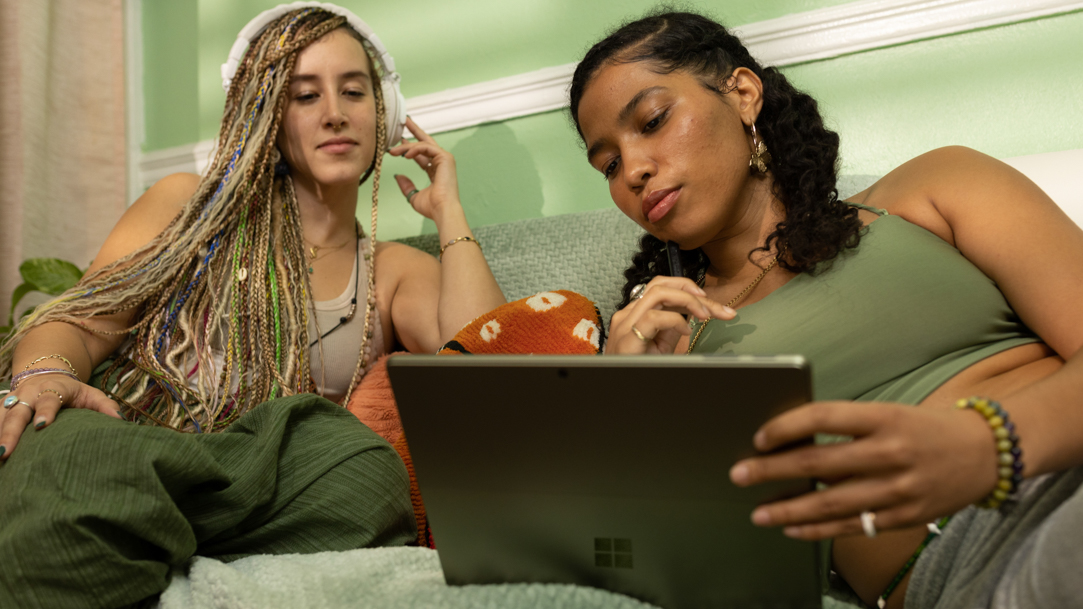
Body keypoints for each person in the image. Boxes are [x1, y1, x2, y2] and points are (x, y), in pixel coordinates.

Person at [569, 11, 1083, 609]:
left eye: (653, 120)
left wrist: (989, 445)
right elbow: (652, 558)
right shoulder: (672, 344)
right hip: (975, 566)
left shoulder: (930, 190)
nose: (632, 171)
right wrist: (622, 398)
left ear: (742, 94)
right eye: (607, 165)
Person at [0, 4, 504, 607]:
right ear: (264, 113)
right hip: (135, 443)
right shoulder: (188, 206)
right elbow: (80, 323)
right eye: (305, 95)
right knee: (70, 450)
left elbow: (489, 359)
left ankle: (135, 534)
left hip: (258, 480)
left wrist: (450, 209)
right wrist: (46, 373)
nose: (336, 114)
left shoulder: (392, 271)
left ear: (385, 113)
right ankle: (120, 515)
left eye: (354, 91)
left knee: (365, 473)